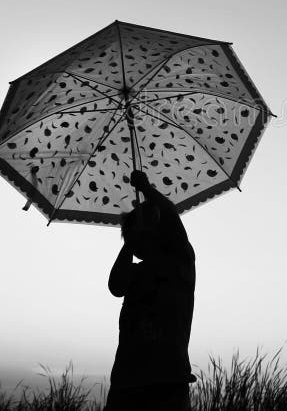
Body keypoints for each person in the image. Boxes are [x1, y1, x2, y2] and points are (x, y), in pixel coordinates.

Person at [104, 169, 196, 411]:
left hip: (167, 381)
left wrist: (146, 188)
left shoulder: (180, 263)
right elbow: (115, 286)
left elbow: (172, 219)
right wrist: (129, 241)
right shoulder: (135, 272)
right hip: (126, 382)